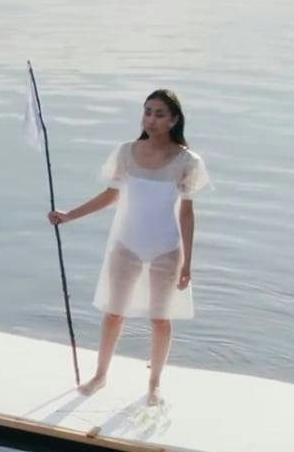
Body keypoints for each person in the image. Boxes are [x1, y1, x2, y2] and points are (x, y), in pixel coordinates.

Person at [46, 89, 210, 402]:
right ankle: (100, 375)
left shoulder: (187, 161)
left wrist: (188, 263)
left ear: (174, 120)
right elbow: (111, 195)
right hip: (126, 245)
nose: (152, 119)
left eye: (160, 114)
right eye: (148, 112)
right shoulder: (126, 152)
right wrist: (69, 216)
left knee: (160, 318)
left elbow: (187, 214)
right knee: (113, 313)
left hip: (166, 249)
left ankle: (154, 384)